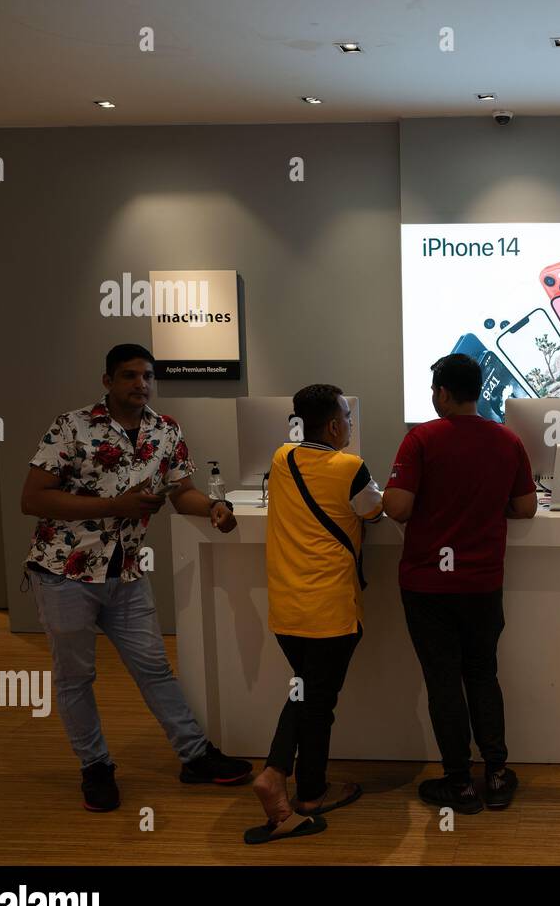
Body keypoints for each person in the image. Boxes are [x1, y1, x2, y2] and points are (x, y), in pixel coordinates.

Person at [20, 343, 251, 812]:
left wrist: (214, 509)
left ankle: (194, 756)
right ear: (107, 381)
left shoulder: (165, 432)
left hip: (125, 572)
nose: (140, 384)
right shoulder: (71, 426)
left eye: (147, 376)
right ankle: (96, 768)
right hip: (65, 571)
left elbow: (180, 492)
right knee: (76, 678)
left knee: (154, 669)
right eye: (128, 376)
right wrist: (113, 507)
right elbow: (33, 498)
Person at [382, 353, 538, 814]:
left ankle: (460, 785)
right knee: (483, 675)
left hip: (428, 586)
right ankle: (496, 773)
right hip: (482, 584)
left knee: (444, 683)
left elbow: (398, 507)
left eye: (434, 391)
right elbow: (526, 507)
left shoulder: (421, 440)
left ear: (444, 393)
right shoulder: (507, 441)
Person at [246, 385, 383, 844]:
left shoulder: (282, 459)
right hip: (330, 608)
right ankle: (276, 772)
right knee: (314, 700)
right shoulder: (350, 467)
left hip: (287, 607)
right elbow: (375, 511)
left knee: (310, 694)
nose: (350, 423)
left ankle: (308, 792)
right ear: (333, 425)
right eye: (348, 415)